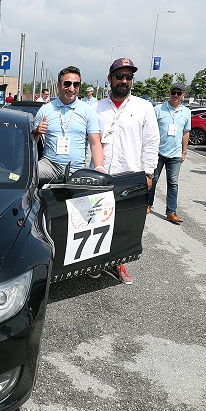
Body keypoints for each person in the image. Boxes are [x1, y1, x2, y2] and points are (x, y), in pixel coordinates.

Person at [93, 58, 160, 285]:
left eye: (128, 77)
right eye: (119, 76)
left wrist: (149, 173)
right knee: (98, 220)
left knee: (124, 222)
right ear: (110, 79)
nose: (124, 81)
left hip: (129, 175)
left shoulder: (143, 107)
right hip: (100, 175)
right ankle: (97, 262)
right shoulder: (96, 107)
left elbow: (151, 142)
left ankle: (119, 262)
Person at [32, 66, 104, 185]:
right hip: (50, 166)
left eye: (76, 85)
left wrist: (99, 167)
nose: (71, 88)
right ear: (58, 85)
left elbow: (95, 143)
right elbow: (32, 141)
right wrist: (37, 132)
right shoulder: (45, 109)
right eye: (67, 84)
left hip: (77, 170)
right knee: (25, 175)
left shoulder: (88, 110)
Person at [148, 82, 191, 224]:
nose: (176, 95)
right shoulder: (158, 109)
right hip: (158, 152)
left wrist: (184, 151)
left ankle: (171, 212)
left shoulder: (186, 112)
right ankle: (148, 204)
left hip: (175, 154)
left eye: (179, 93)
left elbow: (186, 133)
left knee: (173, 183)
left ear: (183, 95)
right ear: (169, 93)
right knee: (152, 180)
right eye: (174, 92)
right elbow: (150, 130)